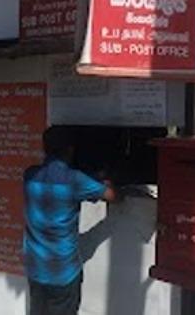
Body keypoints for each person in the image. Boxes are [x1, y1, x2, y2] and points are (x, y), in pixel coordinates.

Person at [23, 126, 118, 315]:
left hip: (35, 267)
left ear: (45, 148)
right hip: (63, 272)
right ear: (70, 150)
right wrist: (104, 181)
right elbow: (111, 195)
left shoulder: (29, 175)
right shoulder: (75, 180)